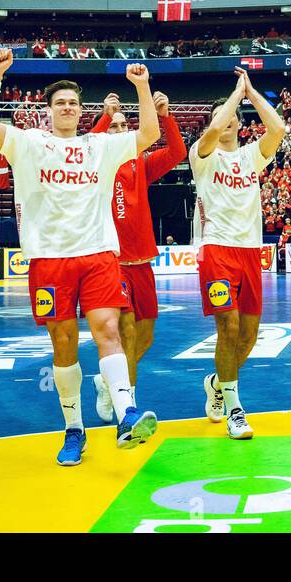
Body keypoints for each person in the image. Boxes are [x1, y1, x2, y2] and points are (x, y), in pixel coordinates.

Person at [0, 50, 161, 465]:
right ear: (49, 110)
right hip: (49, 259)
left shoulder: (101, 145)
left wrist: (142, 86)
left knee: (108, 329)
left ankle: (126, 414)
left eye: (73, 103)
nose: (67, 108)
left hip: (97, 254)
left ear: (81, 111)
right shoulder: (29, 143)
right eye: (60, 103)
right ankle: (73, 429)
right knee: (63, 344)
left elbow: (149, 134)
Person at [190, 67, 286, 440]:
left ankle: (217, 382)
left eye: (233, 118)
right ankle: (234, 409)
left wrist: (251, 92)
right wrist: (232, 98)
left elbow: (277, 130)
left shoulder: (250, 157)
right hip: (216, 249)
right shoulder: (202, 155)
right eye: (222, 117)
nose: (227, 122)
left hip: (250, 252)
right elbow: (213, 132)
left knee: (247, 336)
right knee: (227, 327)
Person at [88, 89, 187, 424]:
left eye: (121, 127)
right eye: (111, 127)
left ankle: (108, 380)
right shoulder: (95, 165)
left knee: (145, 336)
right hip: (111, 262)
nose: (117, 132)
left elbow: (177, 151)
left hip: (142, 262)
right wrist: (104, 116)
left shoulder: (141, 164)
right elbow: (85, 147)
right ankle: (126, 405)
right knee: (127, 331)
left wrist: (165, 115)